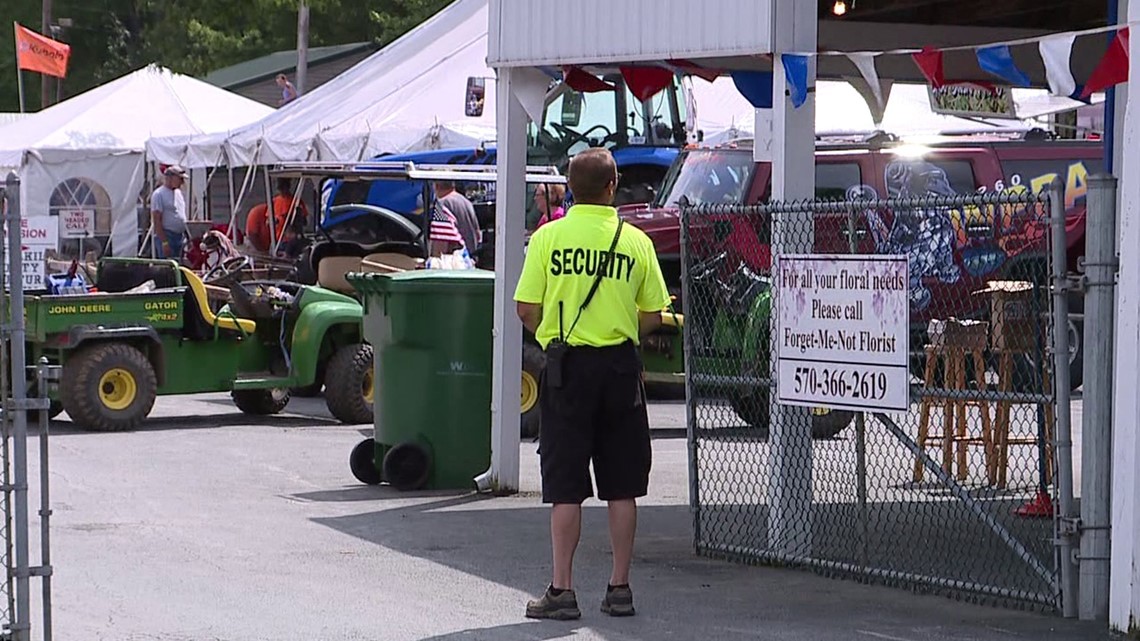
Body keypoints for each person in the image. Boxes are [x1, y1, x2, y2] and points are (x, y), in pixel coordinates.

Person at [514, 148, 671, 620]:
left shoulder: (548, 238)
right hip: (621, 370)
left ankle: (562, 590)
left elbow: (525, 308)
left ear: (567, 188)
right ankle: (619, 587)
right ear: (613, 185)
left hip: (567, 368)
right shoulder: (635, 241)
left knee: (565, 485)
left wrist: (551, 336)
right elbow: (652, 315)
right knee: (622, 485)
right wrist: (622, 331)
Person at [150, 165, 188, 261]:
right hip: (167, 236)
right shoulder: (159, 194)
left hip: (180, 236)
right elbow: (157, 220)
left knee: (179, 264)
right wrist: (164, 242)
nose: (182, 182)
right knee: (168, 267)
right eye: (180, 179)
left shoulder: (179, 193)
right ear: (171, 178)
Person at [433, 181, 481, 254]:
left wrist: (436, 260)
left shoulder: (442, 204)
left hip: (452, 260)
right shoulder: (466, 202)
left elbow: (441, 238)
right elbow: (477, 234)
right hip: (468, 258)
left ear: (436, 186)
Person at [271, 178, 309, 242]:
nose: (281, 190)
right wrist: (275, 220)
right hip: (277, 239)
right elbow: (267, 221)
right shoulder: (274, 201)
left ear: (288, 186)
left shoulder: (296, 201)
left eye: (283, 187)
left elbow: (304, 221)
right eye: (279, 188)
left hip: (292, 240)